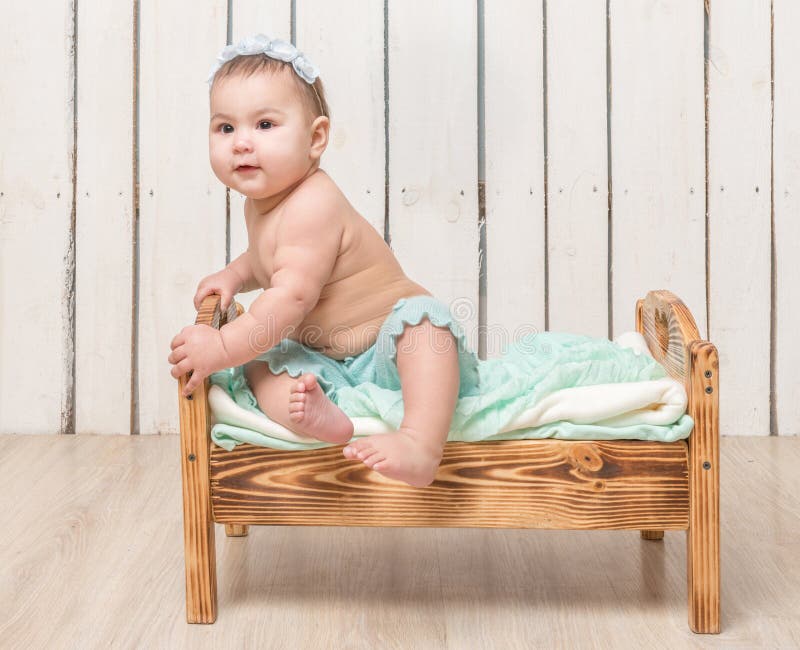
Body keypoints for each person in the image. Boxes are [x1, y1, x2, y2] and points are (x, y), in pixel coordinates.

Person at [168, 34, 479, 488]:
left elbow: (291, 295)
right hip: (327, 360)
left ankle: (419, 444)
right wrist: (235, 274)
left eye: (265, 125)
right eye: (226, 128)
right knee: (259, 364)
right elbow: (267, 261)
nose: (241, 143)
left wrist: (219, 346)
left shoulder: (315, 201)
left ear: (315, 138)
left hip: (385, 348)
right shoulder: (263, 201)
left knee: (426, 326)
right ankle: (317, 418)